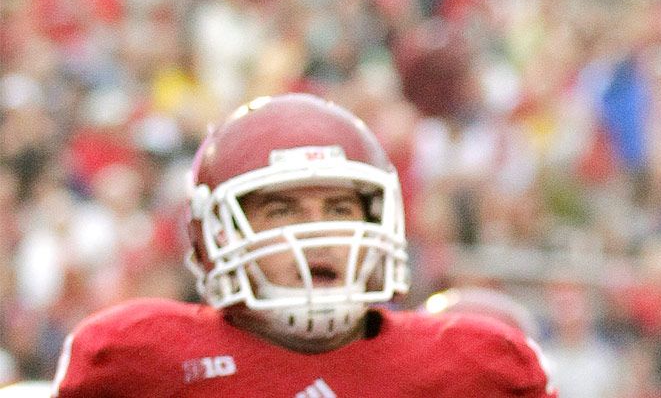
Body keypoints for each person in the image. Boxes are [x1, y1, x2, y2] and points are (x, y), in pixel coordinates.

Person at [53, 94, 554, 397]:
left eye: (339, 210)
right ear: (219, 232)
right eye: (283, 210)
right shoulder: (137, 362)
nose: (319, 233)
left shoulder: (474, 368)